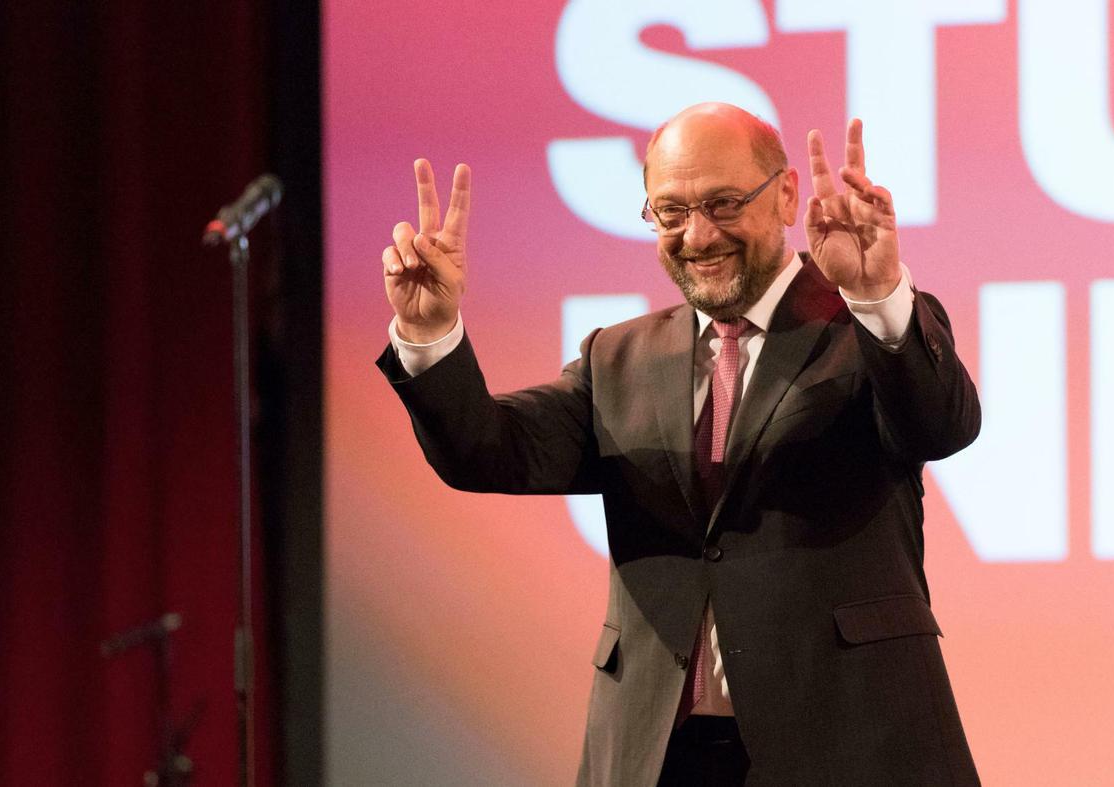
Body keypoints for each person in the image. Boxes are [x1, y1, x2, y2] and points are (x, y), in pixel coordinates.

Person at [376, 102, 982, 786]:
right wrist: (431, 337)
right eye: (670, 212)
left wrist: (875, 293)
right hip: (660, 756)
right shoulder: (619, 358)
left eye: (723, 203)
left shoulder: (864, 328)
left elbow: (941, 425)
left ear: (785, 195)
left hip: (846, 743)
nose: (697, 235)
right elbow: (485, 449)